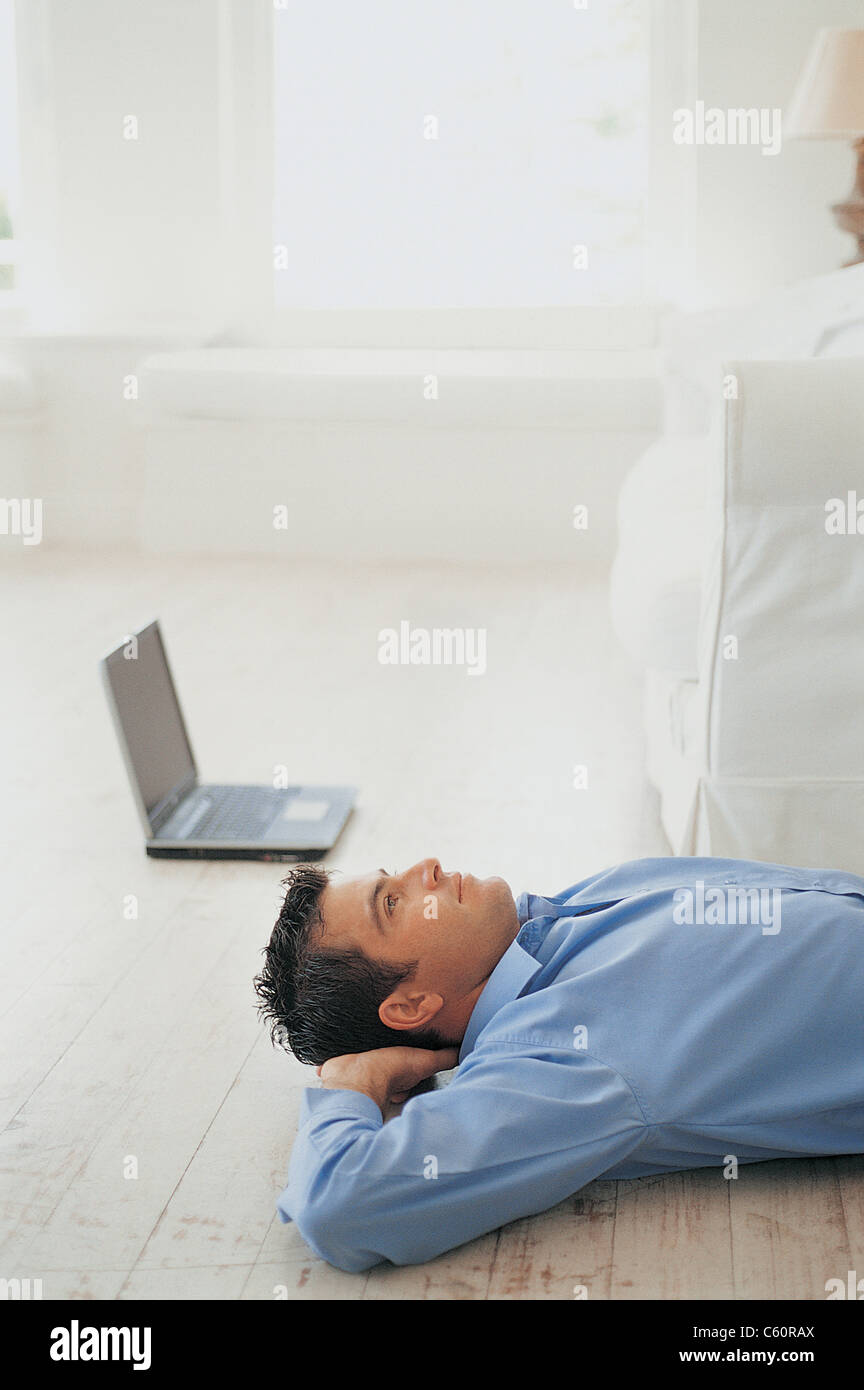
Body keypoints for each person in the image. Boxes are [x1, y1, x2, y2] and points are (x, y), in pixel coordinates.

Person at [253, 856, 864, 1273]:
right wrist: (350, 1088)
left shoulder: (567, 910)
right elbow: (341, 1205)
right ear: (411, 1005)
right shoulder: (554, 1063)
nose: (427, 868)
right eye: (394, 901)